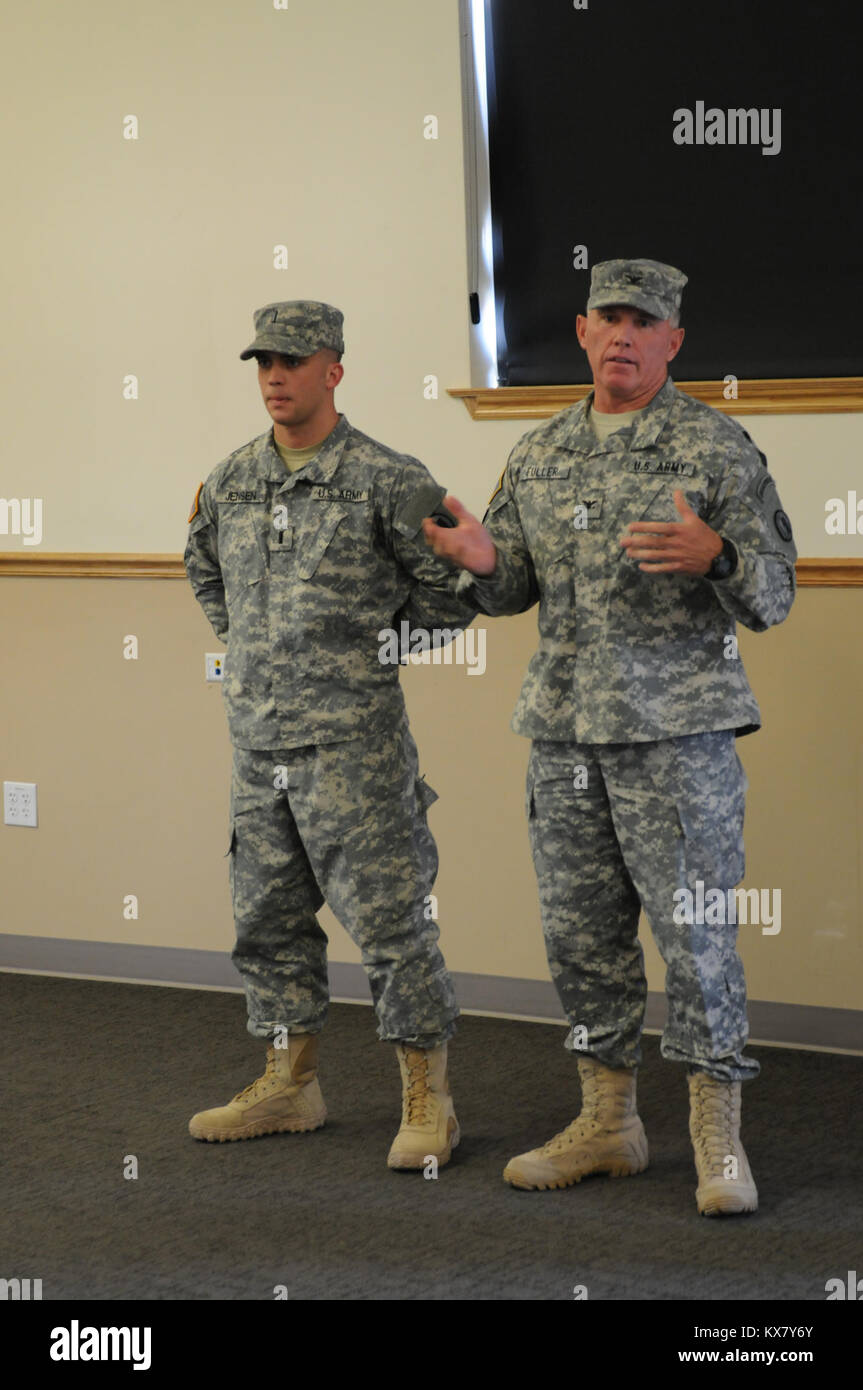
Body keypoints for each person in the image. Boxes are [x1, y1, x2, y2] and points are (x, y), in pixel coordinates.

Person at [424, 259, 797, 1214]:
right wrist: (479, 562)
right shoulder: (542, 453)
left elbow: (774, 594)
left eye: (644, 321)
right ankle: (609, 1122)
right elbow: (508, 589)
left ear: (674, 341)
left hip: (677, 740)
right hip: (564, 739)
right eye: (607, 318)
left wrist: (715, 556)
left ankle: (716, 1137)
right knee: (581, 939)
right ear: (583, 335)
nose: (622, 334)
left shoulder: (715, 449)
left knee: (697, 939)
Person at [184, 300, 475, 1170]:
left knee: (391, 927)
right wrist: (255, 654)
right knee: (266, 924)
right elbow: (205, 570)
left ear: (333, 369)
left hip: (354, 750)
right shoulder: (232, 480)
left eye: (293, 361)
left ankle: (429, 1099)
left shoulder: (389, 480)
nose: (274, 376)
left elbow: (449, 594)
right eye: (264, 362)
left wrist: (369, 657)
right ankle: (289, 1082)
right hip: (258, 747)